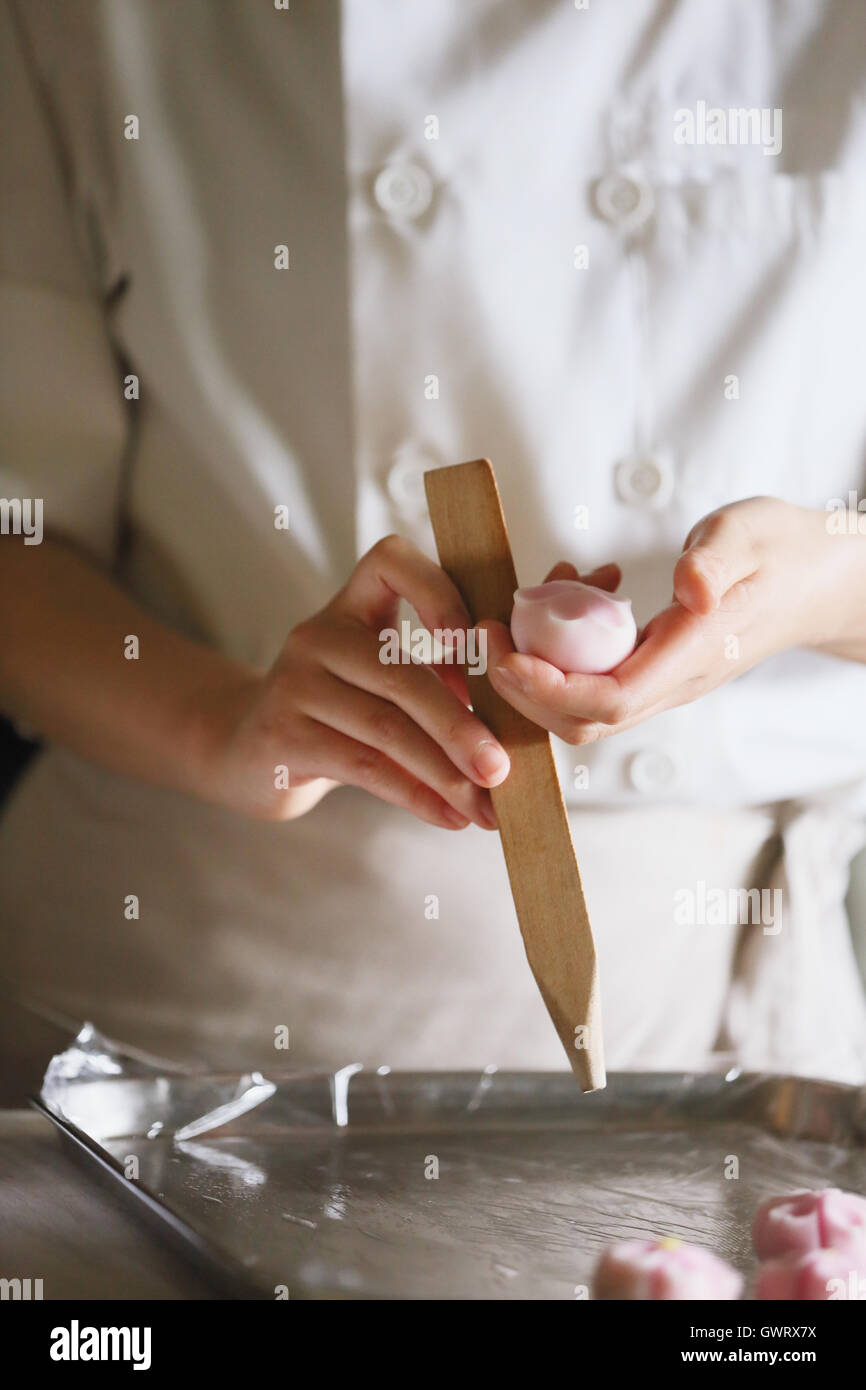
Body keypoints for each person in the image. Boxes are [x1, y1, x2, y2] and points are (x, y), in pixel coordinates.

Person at [2, 0, 866, 1091]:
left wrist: (830, 579)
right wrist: (227, 721)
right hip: (176, 990)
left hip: (711, 1007)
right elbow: (17, 536)